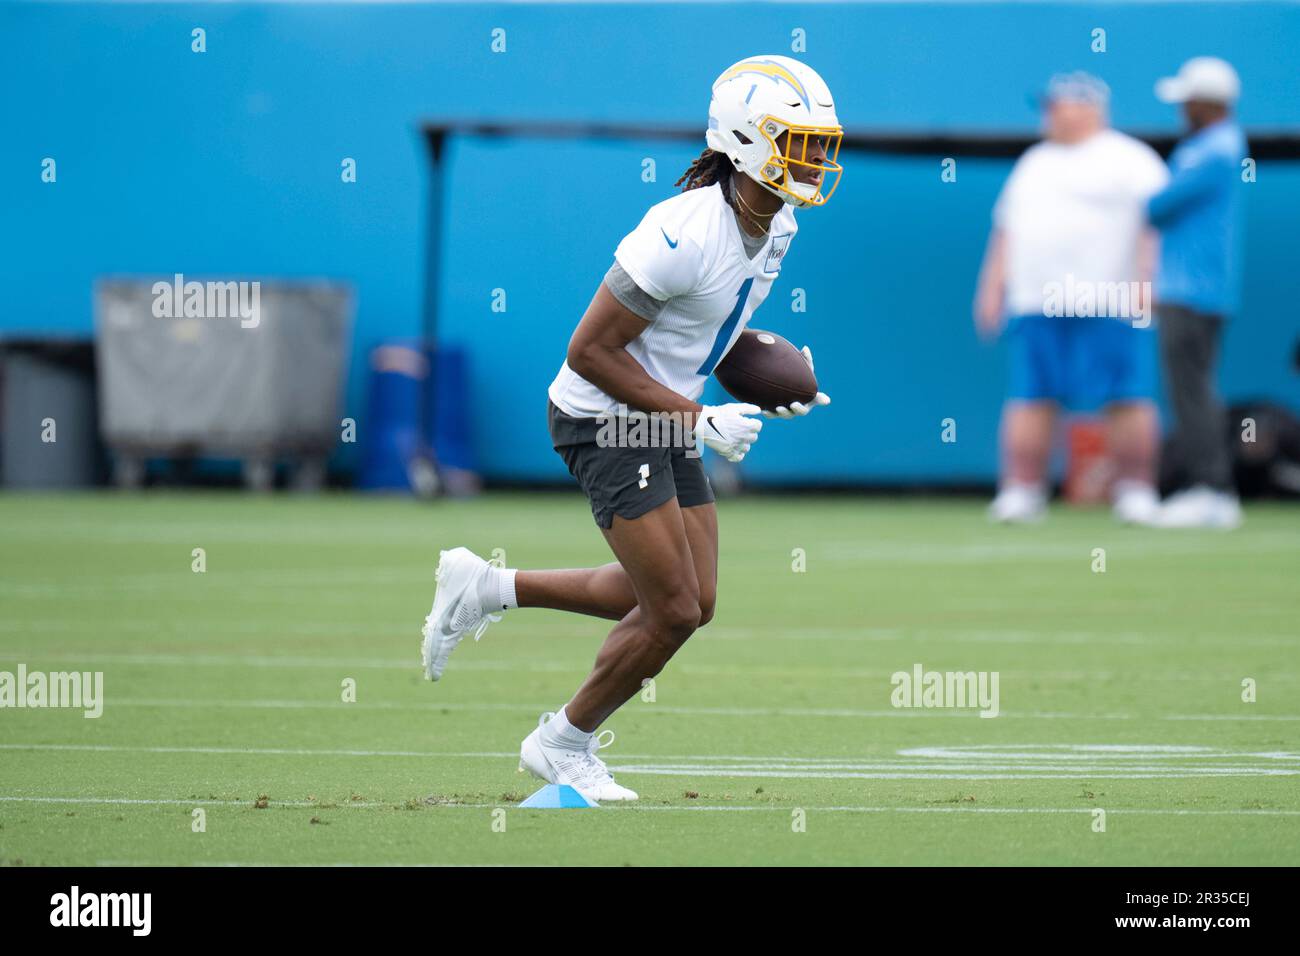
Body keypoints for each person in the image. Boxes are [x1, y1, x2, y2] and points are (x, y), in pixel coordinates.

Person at [418, 56, 839, 802]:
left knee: (691, 601)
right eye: (795, 140)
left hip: (663, 412)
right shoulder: (680, 233)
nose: (812, 158)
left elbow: (711, 329)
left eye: (817, 142)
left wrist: (776, 375)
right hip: (603, 418)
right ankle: (561, 743)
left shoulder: (778, 224)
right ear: (746, 138)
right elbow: (590, 352)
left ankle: (484, 586)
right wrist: (701, 415)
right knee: (671, 608)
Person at [974, 72, 1169, 524]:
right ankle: (1022, 490)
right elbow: (1005, 230)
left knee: (1127, 395)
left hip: (1111, 300)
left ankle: (1136, 490)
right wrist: (991, 288)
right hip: (1035, 301)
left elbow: (1154, 224)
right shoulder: (1034, 162)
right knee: (1031, 395)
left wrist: (1147, 280)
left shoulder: (1131, 159)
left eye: (1057, 104)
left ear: (1088, 108)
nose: (1049, 114)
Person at [1147, 57, 1247, 529]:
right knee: (1190, 387)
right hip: (1193, 290)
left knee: (1192, 389)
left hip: (1194, 291)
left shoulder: (1216, 148)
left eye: (1187, 101)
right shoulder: (1213, 146)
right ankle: (1206, 486)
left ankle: (1213, 489)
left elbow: (1157, 206)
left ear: (1207, 103)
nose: (1181, 110)